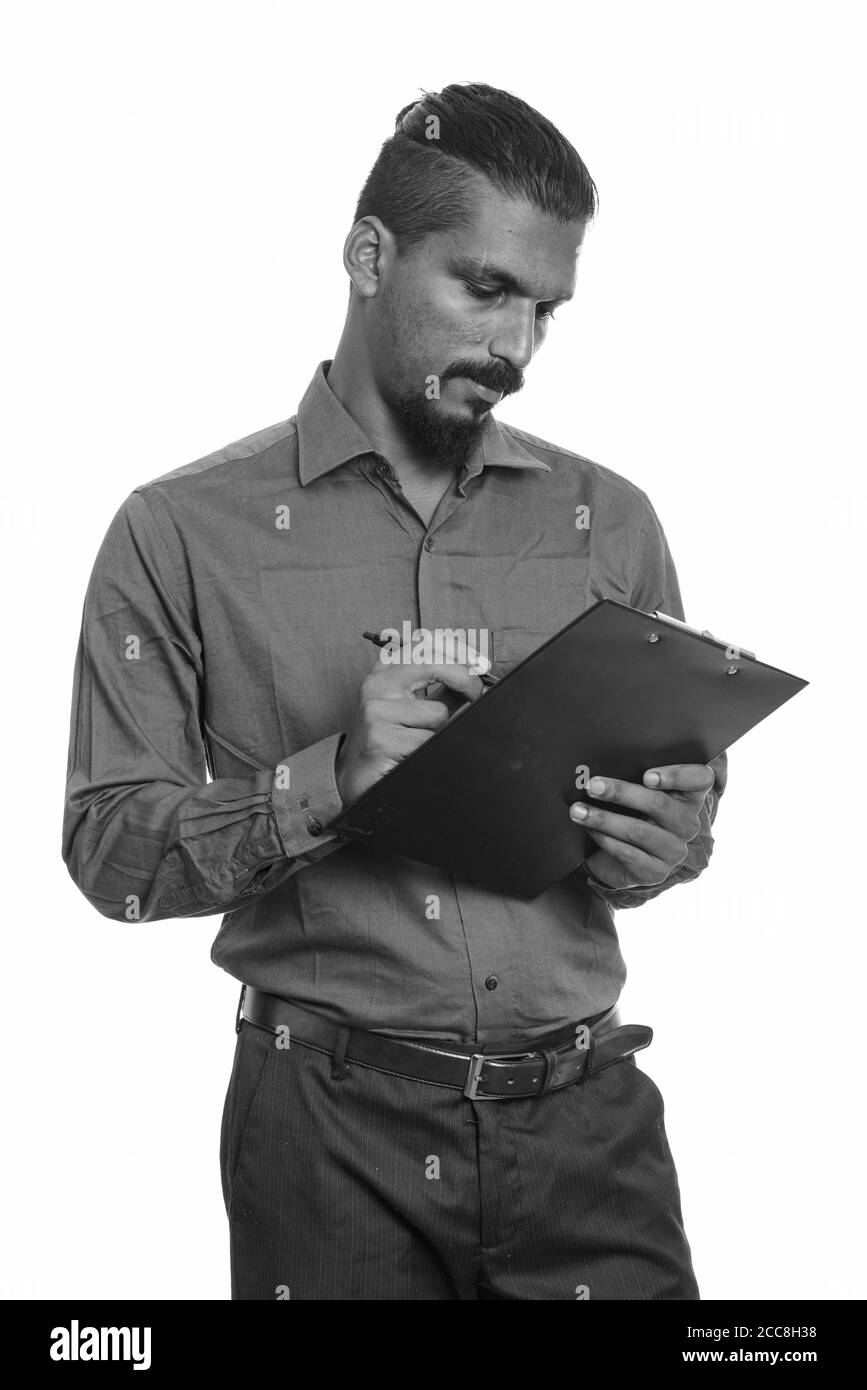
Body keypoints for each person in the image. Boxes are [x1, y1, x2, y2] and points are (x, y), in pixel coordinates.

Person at [63, 82, 727, 1301]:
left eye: (545, 308)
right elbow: (109, 848)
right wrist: (331, 780)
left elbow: (659, 840)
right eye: (485, 291)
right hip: (324, 1140)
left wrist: (665, 842)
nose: (517, 350)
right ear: (370, 254)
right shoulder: (176, 531)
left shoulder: (610, 521)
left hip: (589, 1135)